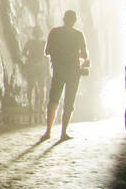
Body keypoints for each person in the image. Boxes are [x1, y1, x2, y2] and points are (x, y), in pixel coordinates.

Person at [41, 10, 89, 142]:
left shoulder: (54, 32)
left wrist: (60, 52)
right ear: (74, 21)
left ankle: (48, 131)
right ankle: (63, 133)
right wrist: (75, 54)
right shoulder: (78, 35)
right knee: (69, 102)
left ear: (63, 19)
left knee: (53, 100)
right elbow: (84, 55)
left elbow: (47, 51)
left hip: (58, 71)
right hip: (73, 72)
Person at [22, 26, 49, 118]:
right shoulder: (43, 43)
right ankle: (41, 106)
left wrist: (30, 58)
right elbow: (48, 54)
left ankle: (31, 105)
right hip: (41, 66)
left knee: (31, 85)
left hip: (32, 65)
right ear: (41, 34)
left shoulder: (30, 42)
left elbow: (24, 53)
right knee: (41, 86)